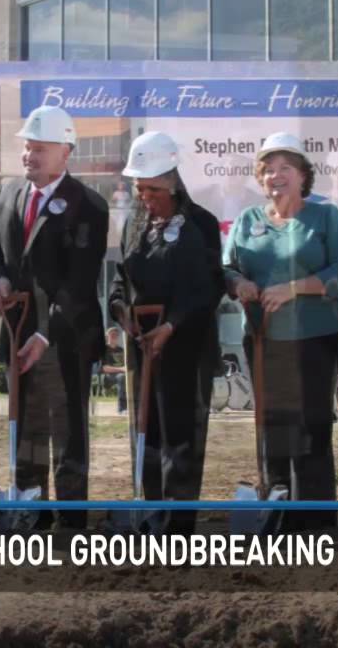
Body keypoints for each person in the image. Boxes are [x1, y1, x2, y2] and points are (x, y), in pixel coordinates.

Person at [0, 106, 109, 531]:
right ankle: (31, 511)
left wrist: (44, 334)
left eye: (39, 149)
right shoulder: (8, 194)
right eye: (27, 148)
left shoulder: (88, 205)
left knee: (67, 427)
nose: (29, 156)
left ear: (65, 152)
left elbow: (79, 280)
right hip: (16, 329)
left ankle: (71, 522)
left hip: (64, 336)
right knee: (27, 426)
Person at [223, 131, 338, 529]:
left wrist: (293, 289)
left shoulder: (326, 217)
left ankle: (313, 519)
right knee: (273, 424)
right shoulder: (248, 221)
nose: (275, 176)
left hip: (314, 338)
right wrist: (238, 284)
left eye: (285, 169)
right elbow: (228, 268)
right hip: (264, 340)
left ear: (303, 176)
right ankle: (276, 511)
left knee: (312, 424)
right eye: (268, 170)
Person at [109, 131, 222, 534]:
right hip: (144, 345)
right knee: (147, 429)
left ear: (172, 181)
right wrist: (120, 309)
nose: (145, 196)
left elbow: (207, 287)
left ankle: (178, 524)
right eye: (140, 187)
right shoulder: (135, 222)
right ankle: (149, 511)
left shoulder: (201, 224)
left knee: (181, 433)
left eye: (153, 188)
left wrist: (171, 324)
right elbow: (121, 277)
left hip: (185, 347)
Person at [100, 326, 127, 415]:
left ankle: (134, 406)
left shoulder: (122, 350)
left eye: (116, 335)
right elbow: (105, 368)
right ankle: (121, 409)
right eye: (112, 335)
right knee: (122, 377)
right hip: (108, 377)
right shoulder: (104, 350)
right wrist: (122, 369)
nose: (114, 336)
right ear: (107, 336)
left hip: (122, 373)